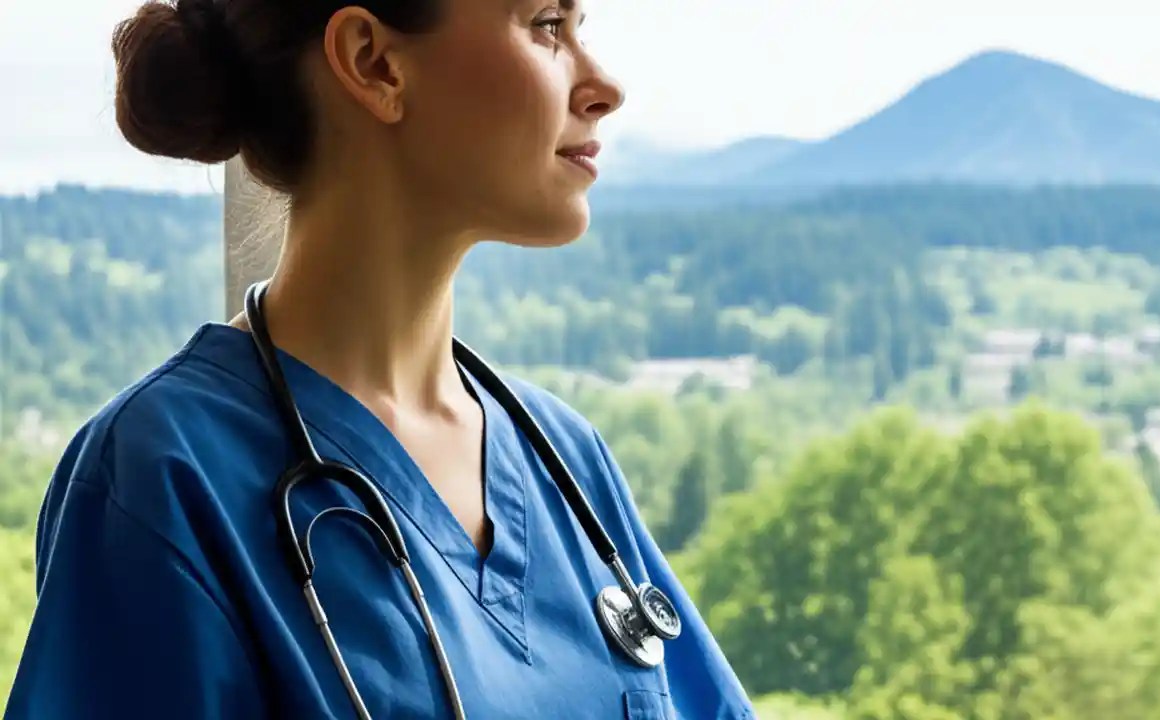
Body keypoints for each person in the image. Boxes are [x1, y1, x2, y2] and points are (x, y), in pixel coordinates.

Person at [3, 0, 755, 717]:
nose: (604, 87)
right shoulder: (165, 476)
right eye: (547, 25)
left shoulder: (562, 458)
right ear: (375, 63)